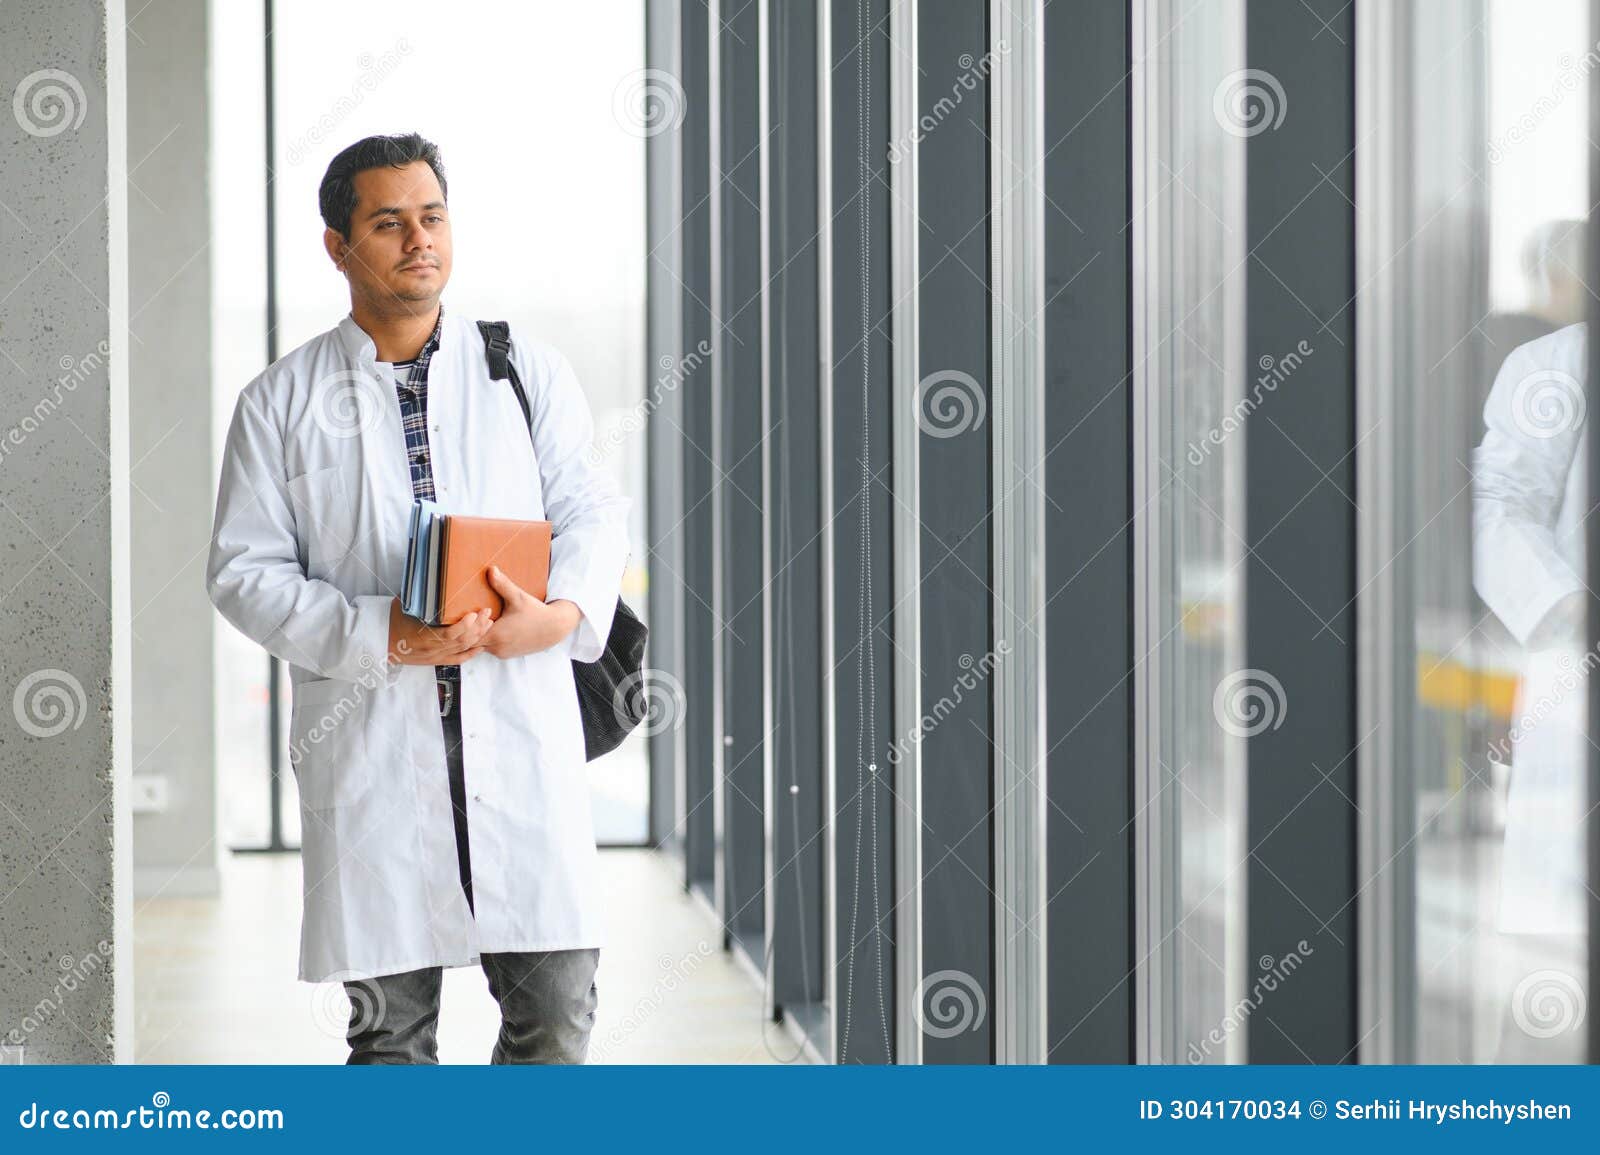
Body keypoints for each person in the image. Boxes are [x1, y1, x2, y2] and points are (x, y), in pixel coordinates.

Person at [206, 133, 630, 1064]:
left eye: (431, 217)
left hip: (516, 728)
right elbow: (243, 572)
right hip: (372, 747)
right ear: (337, 244)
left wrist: (557, 619)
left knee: (556, 1020)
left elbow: (592, 508)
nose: (417, 240)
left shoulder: (523, 371)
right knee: (390, 1043)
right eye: (387, 222)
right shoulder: (280, 400)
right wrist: (381, 633)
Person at [1471, 319, 1588, 1063]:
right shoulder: (1561, 362)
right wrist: (1570, 607)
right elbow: (1496, 501)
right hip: (1580, 685)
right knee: (1556, 1007)